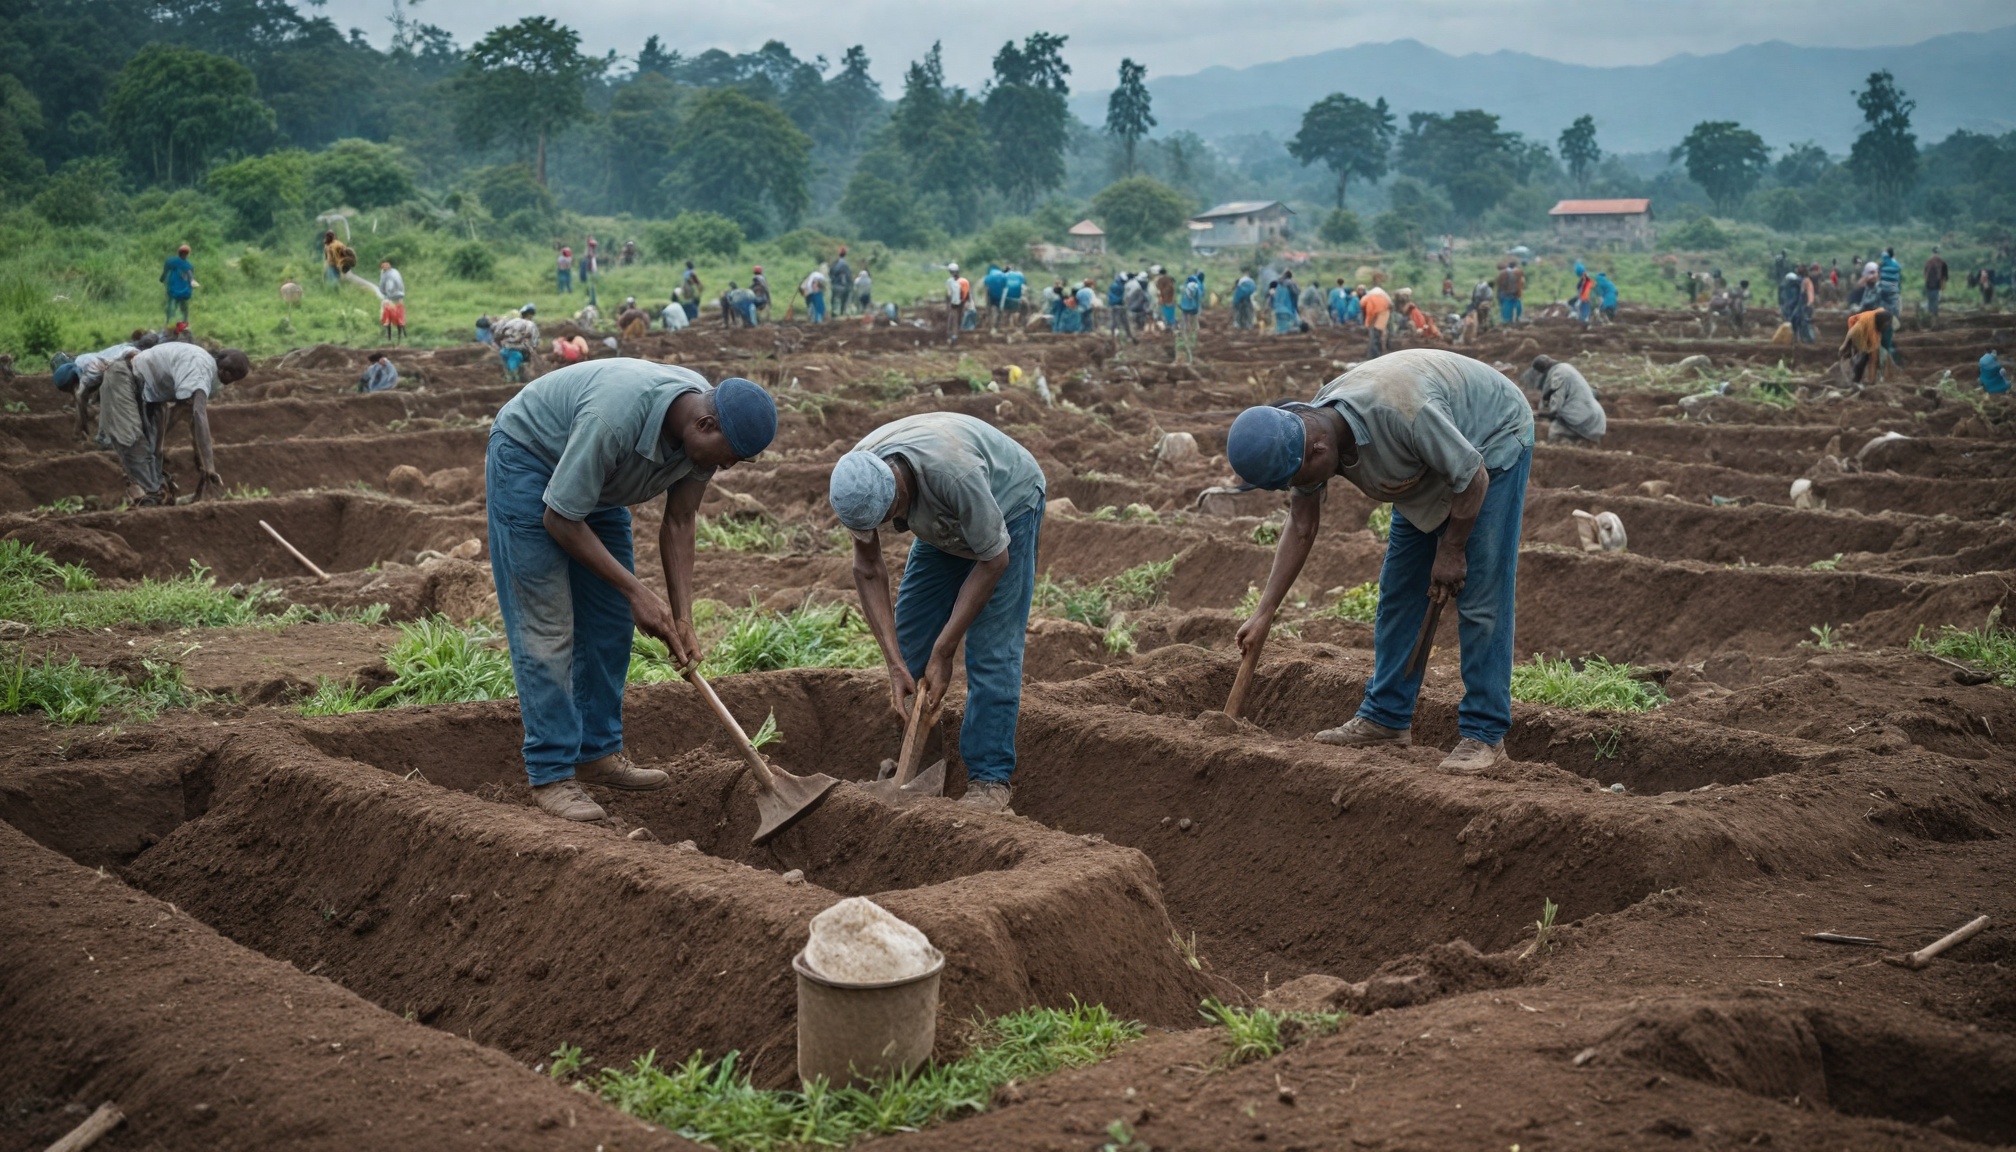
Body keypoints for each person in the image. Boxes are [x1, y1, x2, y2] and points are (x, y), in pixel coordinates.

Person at [487, 363, 777, 821]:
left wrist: (682, 616)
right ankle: (551, 774)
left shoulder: (703, 429)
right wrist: (637, 591)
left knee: (610, 620)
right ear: (705, 424)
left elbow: (680, 521)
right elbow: (560, 518)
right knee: (548, 626)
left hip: (597, 485)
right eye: (725, 457)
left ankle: (596, 753)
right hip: (531, 459)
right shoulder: (613, 420)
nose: (723, 467)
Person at [1224, 348, 1534, 775]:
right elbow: (1301, 524)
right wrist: (1263, 613)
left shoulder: (1404, 412)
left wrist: (1452, 548)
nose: (1300, 489)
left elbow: (1472, 476)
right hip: (1418, 470)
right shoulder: (1306, 432)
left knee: (1481, 598)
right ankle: (1385, 718)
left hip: (1490, 441)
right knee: (1399, 592)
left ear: (1318, 450)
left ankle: (1485, 735)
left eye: (1299, 480)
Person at [828, 412, 1045, 815]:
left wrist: (945, 649)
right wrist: (894, 664)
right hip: (943, 520)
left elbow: (994, 560)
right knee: (911, 637)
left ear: (898, 500)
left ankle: (989, 780)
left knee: (992, 649)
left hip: (1007, 503)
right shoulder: (859, 478)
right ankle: (917, 767)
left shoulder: (954, 477)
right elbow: (868, 567)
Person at [128, 342, 250, 503]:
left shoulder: (207, 370)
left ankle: (153, 485)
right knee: (144, 444)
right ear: (224, 371)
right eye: (232, 378)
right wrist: (210, 466)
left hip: (152, 388)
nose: (230, 383)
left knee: (155, 440)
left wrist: (201, 463)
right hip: (134, 380)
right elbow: (199, 415)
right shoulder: (200, 371)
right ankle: (139, 491)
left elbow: (186, 412)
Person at [53, 339, 136, 440]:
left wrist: (82, 426)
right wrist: (81, 427)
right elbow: (81, 401)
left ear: (72, 382)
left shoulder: (89, 370)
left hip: (129, 357)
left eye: (69, 389)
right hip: (120, 360)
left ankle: (116, 437)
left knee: (113, 403)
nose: (71, 392)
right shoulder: (79, 365)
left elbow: (82, 398)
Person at [1523, 355, 1606, 446]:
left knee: (1555, 434)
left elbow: (1555, 407)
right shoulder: (1567, 368)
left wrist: (1538, 414)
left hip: (1581, 419)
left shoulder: (1558, 373)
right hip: (1596, 420)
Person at [1839, 307, 1893, 386]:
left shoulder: (1881, 313)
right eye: (1886, 324)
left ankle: (1867, 380)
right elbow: (1852, 332)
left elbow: (1873, 359)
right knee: (1863, 357)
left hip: (1863, 330)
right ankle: (1856, 380)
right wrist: (1845, 344)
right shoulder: (1867, 328)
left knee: (1870, 356)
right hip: (1858, 333)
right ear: (1881, 323)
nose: (1888, 325)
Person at [497, 304, 541, 382]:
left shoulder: (510, 322)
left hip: (504, 350)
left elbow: (499, 334)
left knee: (507, 372)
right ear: (530, 315)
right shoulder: (530, 325)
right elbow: (534, 342)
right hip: (516, 353)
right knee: (515, 375)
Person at [160, 245, 195, 327]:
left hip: (172, 289)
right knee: (184, 309)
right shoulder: (189, 266)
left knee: (171, 307)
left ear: (178, 253)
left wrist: (162, 279)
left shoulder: (171, 261)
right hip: (184, 291)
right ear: (187, 254)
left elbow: (165, 273)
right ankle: (185, 324)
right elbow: (191, 280)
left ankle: (168, 323)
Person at [378, 259, 407, 343]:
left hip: (393, 297)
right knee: (394, 315)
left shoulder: (390, 274)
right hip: (395, 297)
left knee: (393, 315)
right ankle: (394, 334)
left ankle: (394, 335)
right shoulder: (389, 273)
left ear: (390, 265)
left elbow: (386, 286)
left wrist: (388, 293)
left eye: (386, 265)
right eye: (383, 265)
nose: (385, 267)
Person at [1361, 283, 1393, 358]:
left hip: (1384, 311)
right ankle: (1381, 349)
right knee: (1379, 332)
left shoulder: (1369, 301)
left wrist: (1367, 325)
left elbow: (1369, 314)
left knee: (1376, 333)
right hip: (1385, 309)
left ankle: (1376, 354)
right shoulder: (1372, 296)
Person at [1107, 270, 1134, 342]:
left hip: (1114, 306)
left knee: (1115, 322)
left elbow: (1110, 295)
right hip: (1120, 306)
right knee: (1124, 322)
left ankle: (1114, 337)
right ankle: (1127, 336)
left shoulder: (1114, 285)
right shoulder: (1120, 287)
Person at [1924, 247, 1949, 321]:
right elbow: (1945, 276)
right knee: (1935, 300)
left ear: (1932, 252)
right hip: (1937, 284)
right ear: (1939, 253)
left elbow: (1925, 273)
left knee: (1930, 300)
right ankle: (1934, 316)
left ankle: (1930, 314)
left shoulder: (1928, 261)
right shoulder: (1942, 262)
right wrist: (1943, 284)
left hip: (1928, 284)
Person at [1877, 248, 1903, 319]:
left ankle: (1883, 323)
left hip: (1883, 289)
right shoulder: (1896, 266)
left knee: (1883, 307)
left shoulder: (1882, 264)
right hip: (1893, 289)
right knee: (1894, 309)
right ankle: (1893, 323)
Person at [1000, 264, 1027, 331]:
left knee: (1006, 312)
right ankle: (1016, 324)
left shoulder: (1003, 276)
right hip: (1017, 296)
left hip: (1007, 296)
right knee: (1016, 311)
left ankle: (1007, 325)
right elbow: (1024, 285)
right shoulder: (1019, 275)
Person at [944, 264, 966, 344]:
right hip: (961, 302)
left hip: (954, 302)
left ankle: (953, 335)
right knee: (959, 317)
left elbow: (949, 294)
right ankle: (956, 334)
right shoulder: (963, 281)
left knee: (953, 318)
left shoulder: (949, 281)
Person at [1497, 260, 1524, 325]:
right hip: (1513, 292)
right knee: (1515, 306)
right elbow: (1520, 283)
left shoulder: (1503, 273)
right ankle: (1516, 318)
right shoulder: (1518, 272)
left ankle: (1506, 320)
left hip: (1505, 293)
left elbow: (1500, 284)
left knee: (1506, 307)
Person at [830, 248, 852, 318]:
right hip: (843, 286)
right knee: (843, 301)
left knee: (834, 300)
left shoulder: (835, 263)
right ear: (845, 255)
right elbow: (849, 276)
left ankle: (834, 313)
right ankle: (841, 313)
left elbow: (830, 272)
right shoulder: (846, 264)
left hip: (835, 284)